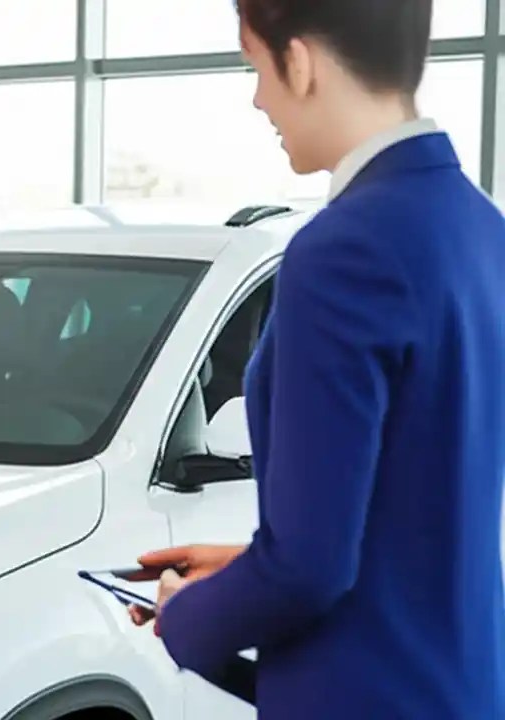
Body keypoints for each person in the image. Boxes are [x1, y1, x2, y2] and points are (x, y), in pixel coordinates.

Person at [129, 1, 505, 717]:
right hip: (462, 690)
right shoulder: (481, 228)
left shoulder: (342, 250)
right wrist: (246, 565)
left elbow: (308, 573)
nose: (257, 98)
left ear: (299, 63)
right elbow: (420, 508)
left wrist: (186, 619)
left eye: (256, 68)